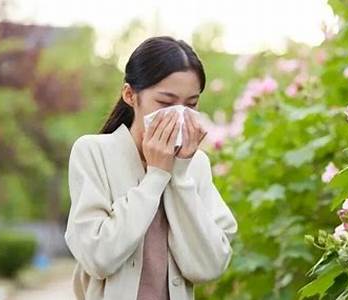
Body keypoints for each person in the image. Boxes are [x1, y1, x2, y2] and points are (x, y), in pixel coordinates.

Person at [64, 36, 238, 300]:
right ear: (130, 95)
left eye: (191, 105)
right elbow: (98, 257)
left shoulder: (196, 165)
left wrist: (178, 175)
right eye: (165, 103)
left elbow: (210, 266)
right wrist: (156, 176)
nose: (178, 115)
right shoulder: (93, 152)